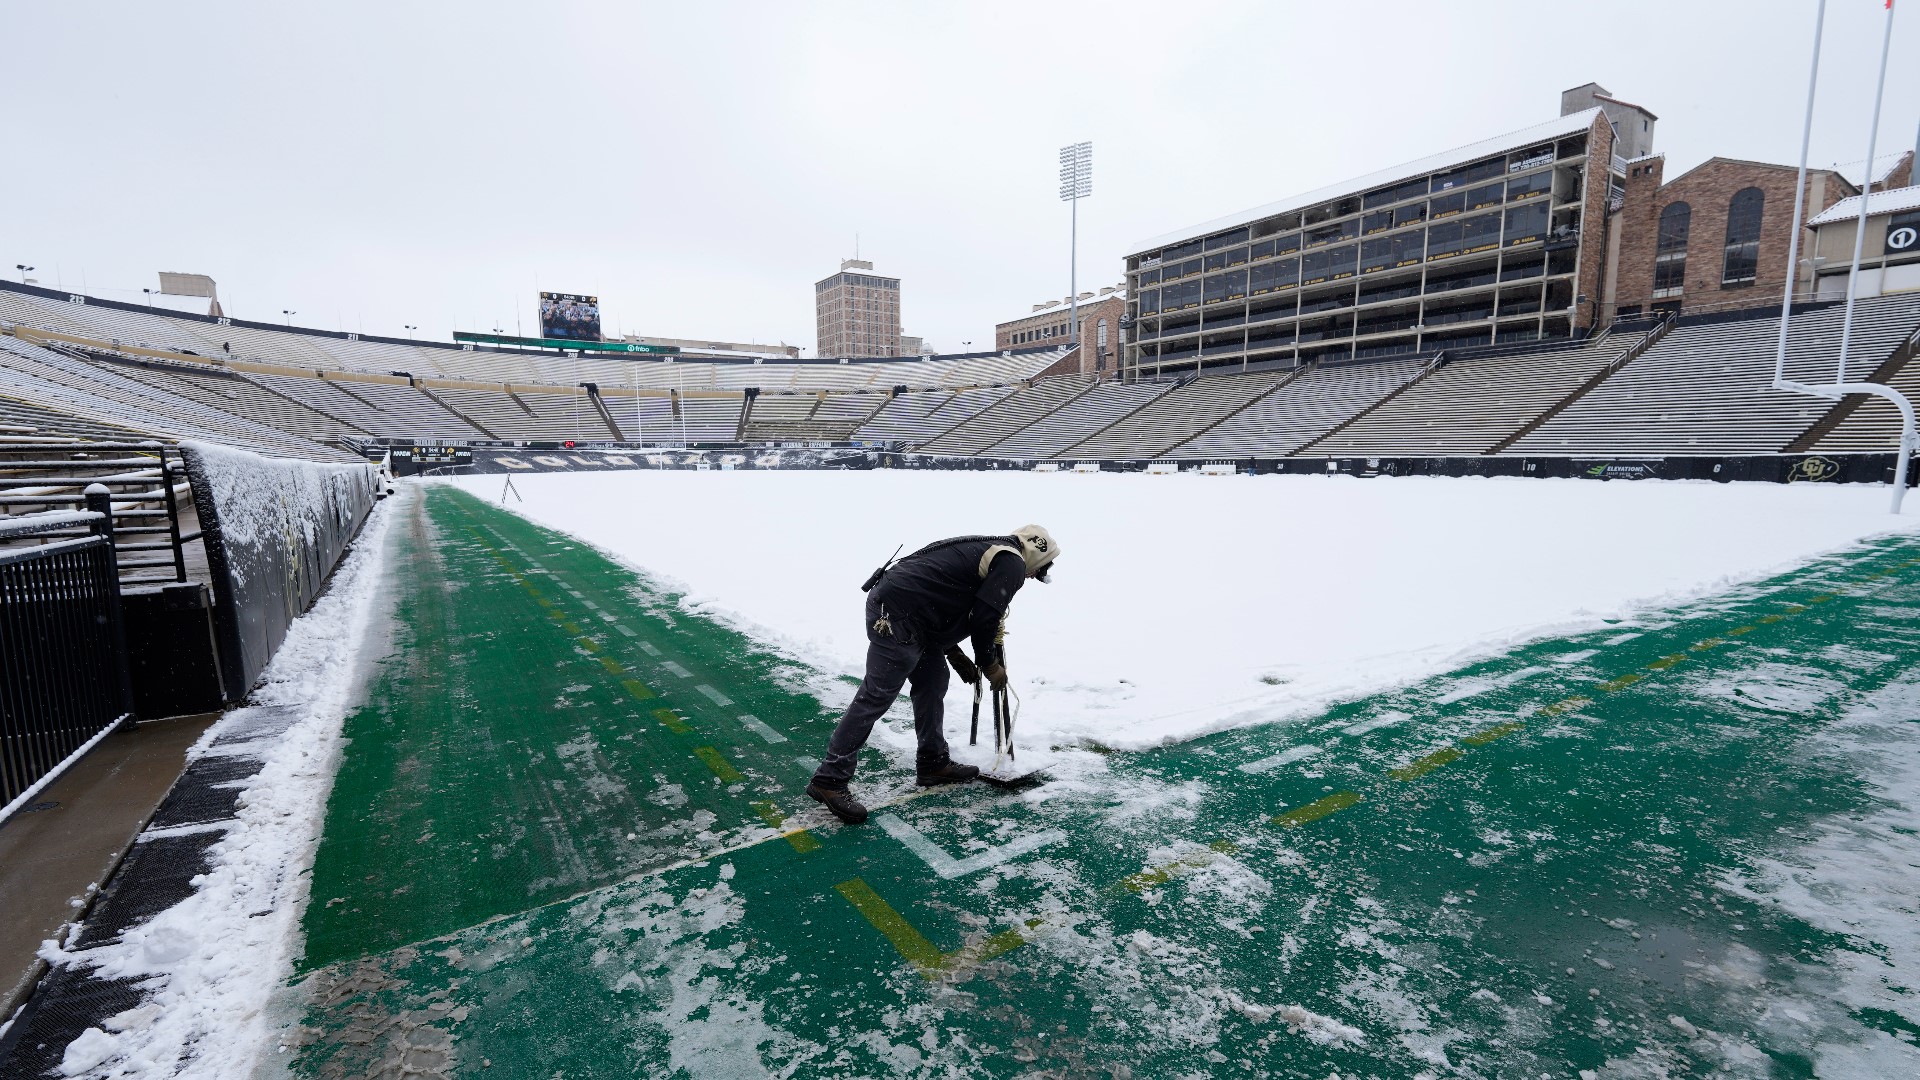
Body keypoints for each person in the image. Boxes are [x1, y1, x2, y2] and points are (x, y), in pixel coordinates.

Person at [806, 525, 1060, 824]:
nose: (1032, 577)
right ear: (1035, 556)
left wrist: (953, 653)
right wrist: (989, 664)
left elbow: (939, 595)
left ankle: (933, 762)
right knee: (876, 696)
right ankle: (830, 779)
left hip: (911, 611)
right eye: (1038, 571)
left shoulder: (990, 548)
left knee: (932, 681)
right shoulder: (1011, 563)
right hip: (896, 617)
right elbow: (983, 617)